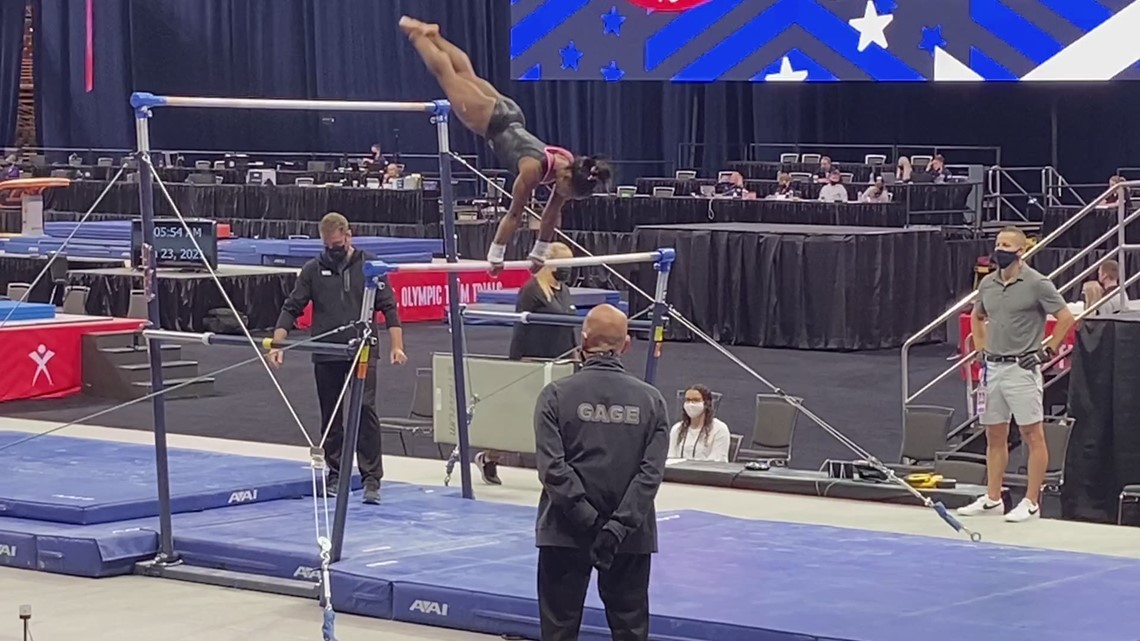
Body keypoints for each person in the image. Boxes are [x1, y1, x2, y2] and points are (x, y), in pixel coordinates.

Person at [398, 16, 612, 274]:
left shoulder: (567, 163)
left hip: (511, 113)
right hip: (489, 121)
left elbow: (550, 217)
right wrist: (496, 255)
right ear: (567, 177)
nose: (565, 196)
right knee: (447, 75)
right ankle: (418, 36)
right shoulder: (533, 171)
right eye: (569, 192)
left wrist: (539, 253)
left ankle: (435, 36)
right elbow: (514, 215)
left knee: (467, 74)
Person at [533, 304, 669, 641]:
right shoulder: (651, 401)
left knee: (559, 630)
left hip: (565, 530)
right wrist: (617, 528)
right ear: (625, 345)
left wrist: (588, 519)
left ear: (583, 341)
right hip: (630, 537)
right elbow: (649, 475)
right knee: (629, 629)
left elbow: (552, 469)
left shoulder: (555, 395)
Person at [269, 212, 408, 505]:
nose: (332, 251)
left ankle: (371, 479)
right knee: (331, 415)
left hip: (363, 350)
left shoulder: (371, 265)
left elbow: (389, 308)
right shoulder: (312, 269)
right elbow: (292, 307)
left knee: (365, 410)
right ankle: (336, 473)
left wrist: (397, 346)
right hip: (327, 351)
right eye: (327, 246)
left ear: (348, 236)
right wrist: (277, 344)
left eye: (336, 245)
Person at [958, 227, 1075, 523]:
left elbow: (1065, 318)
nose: (1000, 248)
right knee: (994, 434)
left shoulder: (1037, 283)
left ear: (1021, 250)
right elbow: (977, 315)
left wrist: (1046, 350)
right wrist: (981, 346)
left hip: (1022, 370)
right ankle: (993, 497)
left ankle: (1031, 501)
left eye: (1007, 244)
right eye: (998, 243)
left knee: (1031, 434)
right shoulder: (988, 284)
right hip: (993, 368)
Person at [476, 243, 579, 485]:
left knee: (561, 419)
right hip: (534, 360)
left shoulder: (563, 289)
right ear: (549, 263)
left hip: (562, 360)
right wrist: (517, 363)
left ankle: (558, 470)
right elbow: (519, 328)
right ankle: (490, 456)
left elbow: (568, 325)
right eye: (564, 264)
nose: (568, 270)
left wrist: (577, 354)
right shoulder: (531, 290)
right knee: (522, 417)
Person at [667, 385, 732, 462]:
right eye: (687, 400)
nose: (691, 404)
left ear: (706, 403)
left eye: (696, 400)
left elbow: (718, 461)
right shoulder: (677, 429)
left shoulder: (719, 429)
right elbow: (671, 457)